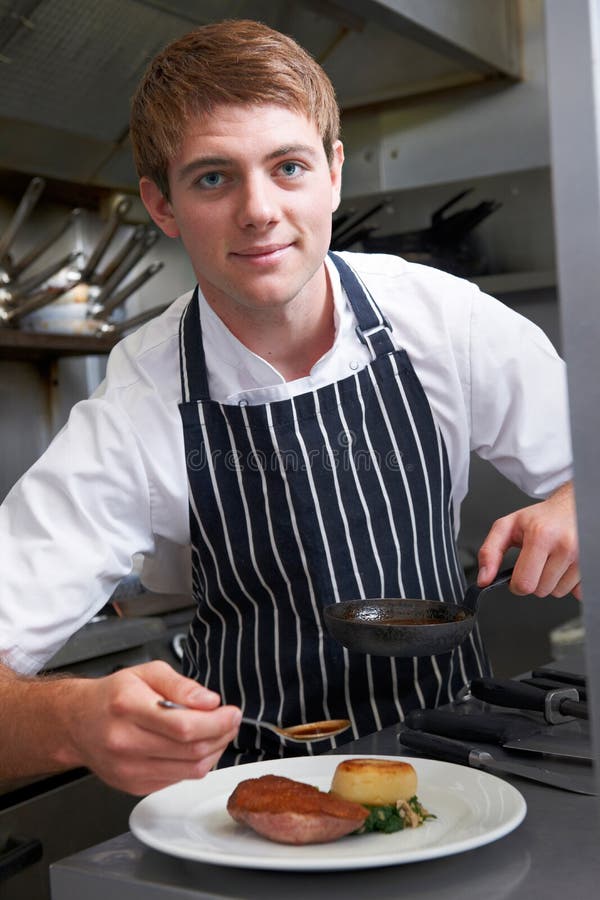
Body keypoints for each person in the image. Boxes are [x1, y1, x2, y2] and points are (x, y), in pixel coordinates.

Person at [0, 20, 579, 795]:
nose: (259, 210)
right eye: (213, 177)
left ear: (334, 175)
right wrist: (71, 719)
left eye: (289, 166)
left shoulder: (447, 323)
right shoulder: (138, 400)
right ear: (162, 206)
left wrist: (583, 504)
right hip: (251, 802)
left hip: (460, 776)